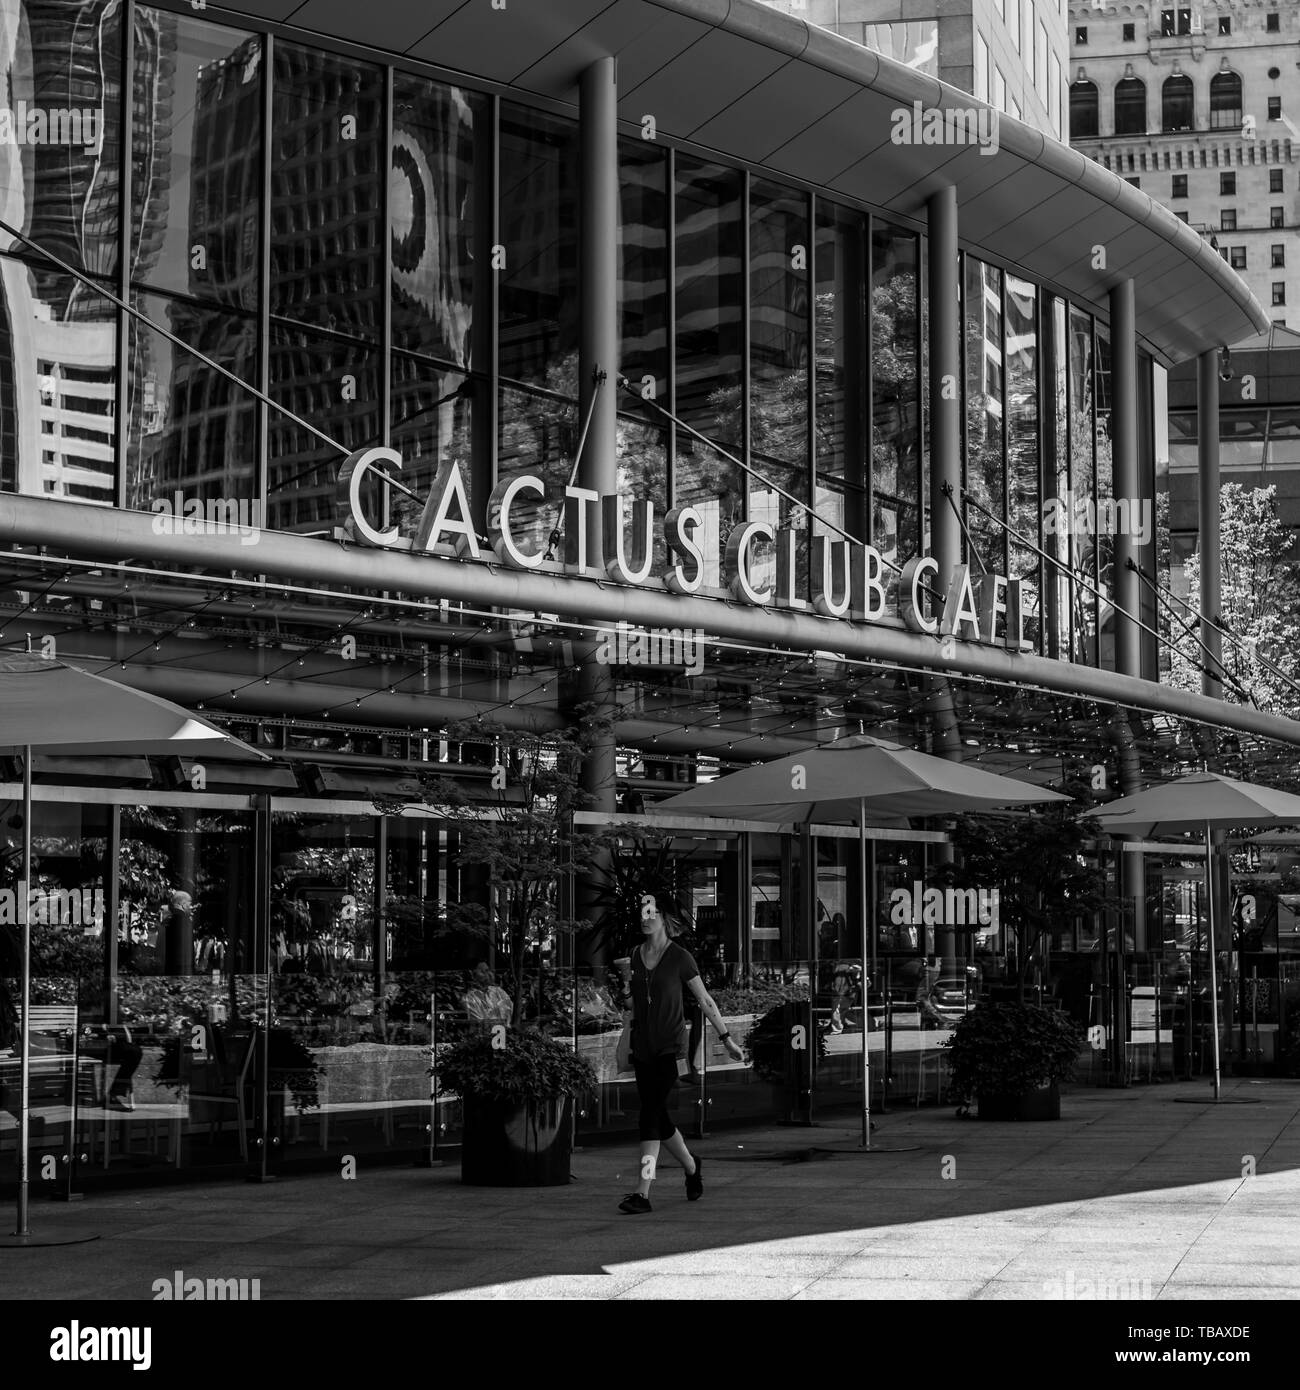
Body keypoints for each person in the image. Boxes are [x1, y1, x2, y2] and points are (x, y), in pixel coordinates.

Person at [618, 891, 744, 1215]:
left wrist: (726, 1038)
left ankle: (642, 1193)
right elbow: (633, 1003)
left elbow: (704, 1001)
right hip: (643, 1047)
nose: (646, 919)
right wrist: (623, 991)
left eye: (652, 913)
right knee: (658, 1117)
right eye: (643, 913)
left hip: (671, 1048)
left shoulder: (680, 957)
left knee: (649, 1115)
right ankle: (691, 1166)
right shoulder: (634, 955)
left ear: (664, 918)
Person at [462, 962, 513, 1030]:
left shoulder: (499, 991)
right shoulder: (468, 998)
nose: (488, 974)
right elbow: (479, 1021)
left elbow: (508, 1012)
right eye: (483, 971)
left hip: (504, 1034)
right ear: (473, 975)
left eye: (487, 970)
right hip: (483, 1036)